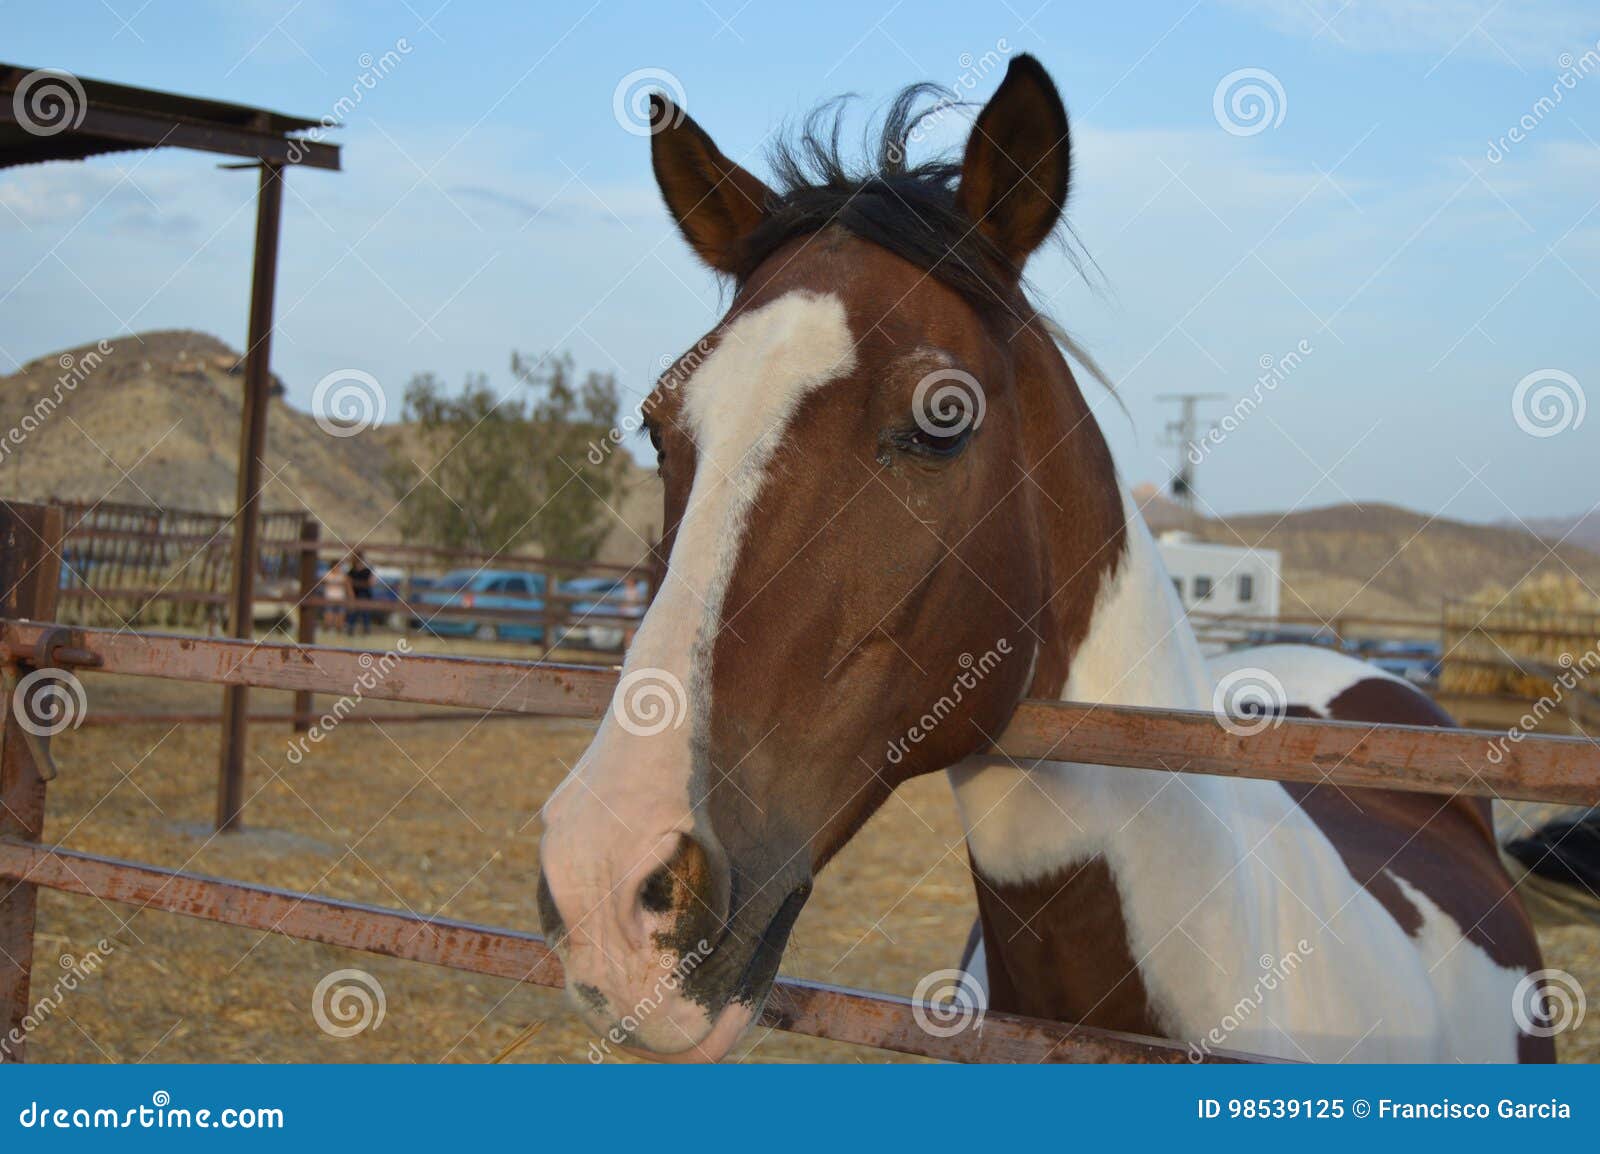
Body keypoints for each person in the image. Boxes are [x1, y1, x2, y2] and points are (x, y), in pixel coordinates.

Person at [346, 551, 374, 636]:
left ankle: (365, 629)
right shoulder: (351, 571)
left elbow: (371, 583)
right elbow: (349, 584)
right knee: (354, 612)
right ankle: (351, 628)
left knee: (365, 612)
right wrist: (351, 595)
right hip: (356, 594)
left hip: (364, 594)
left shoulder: (367, 571)